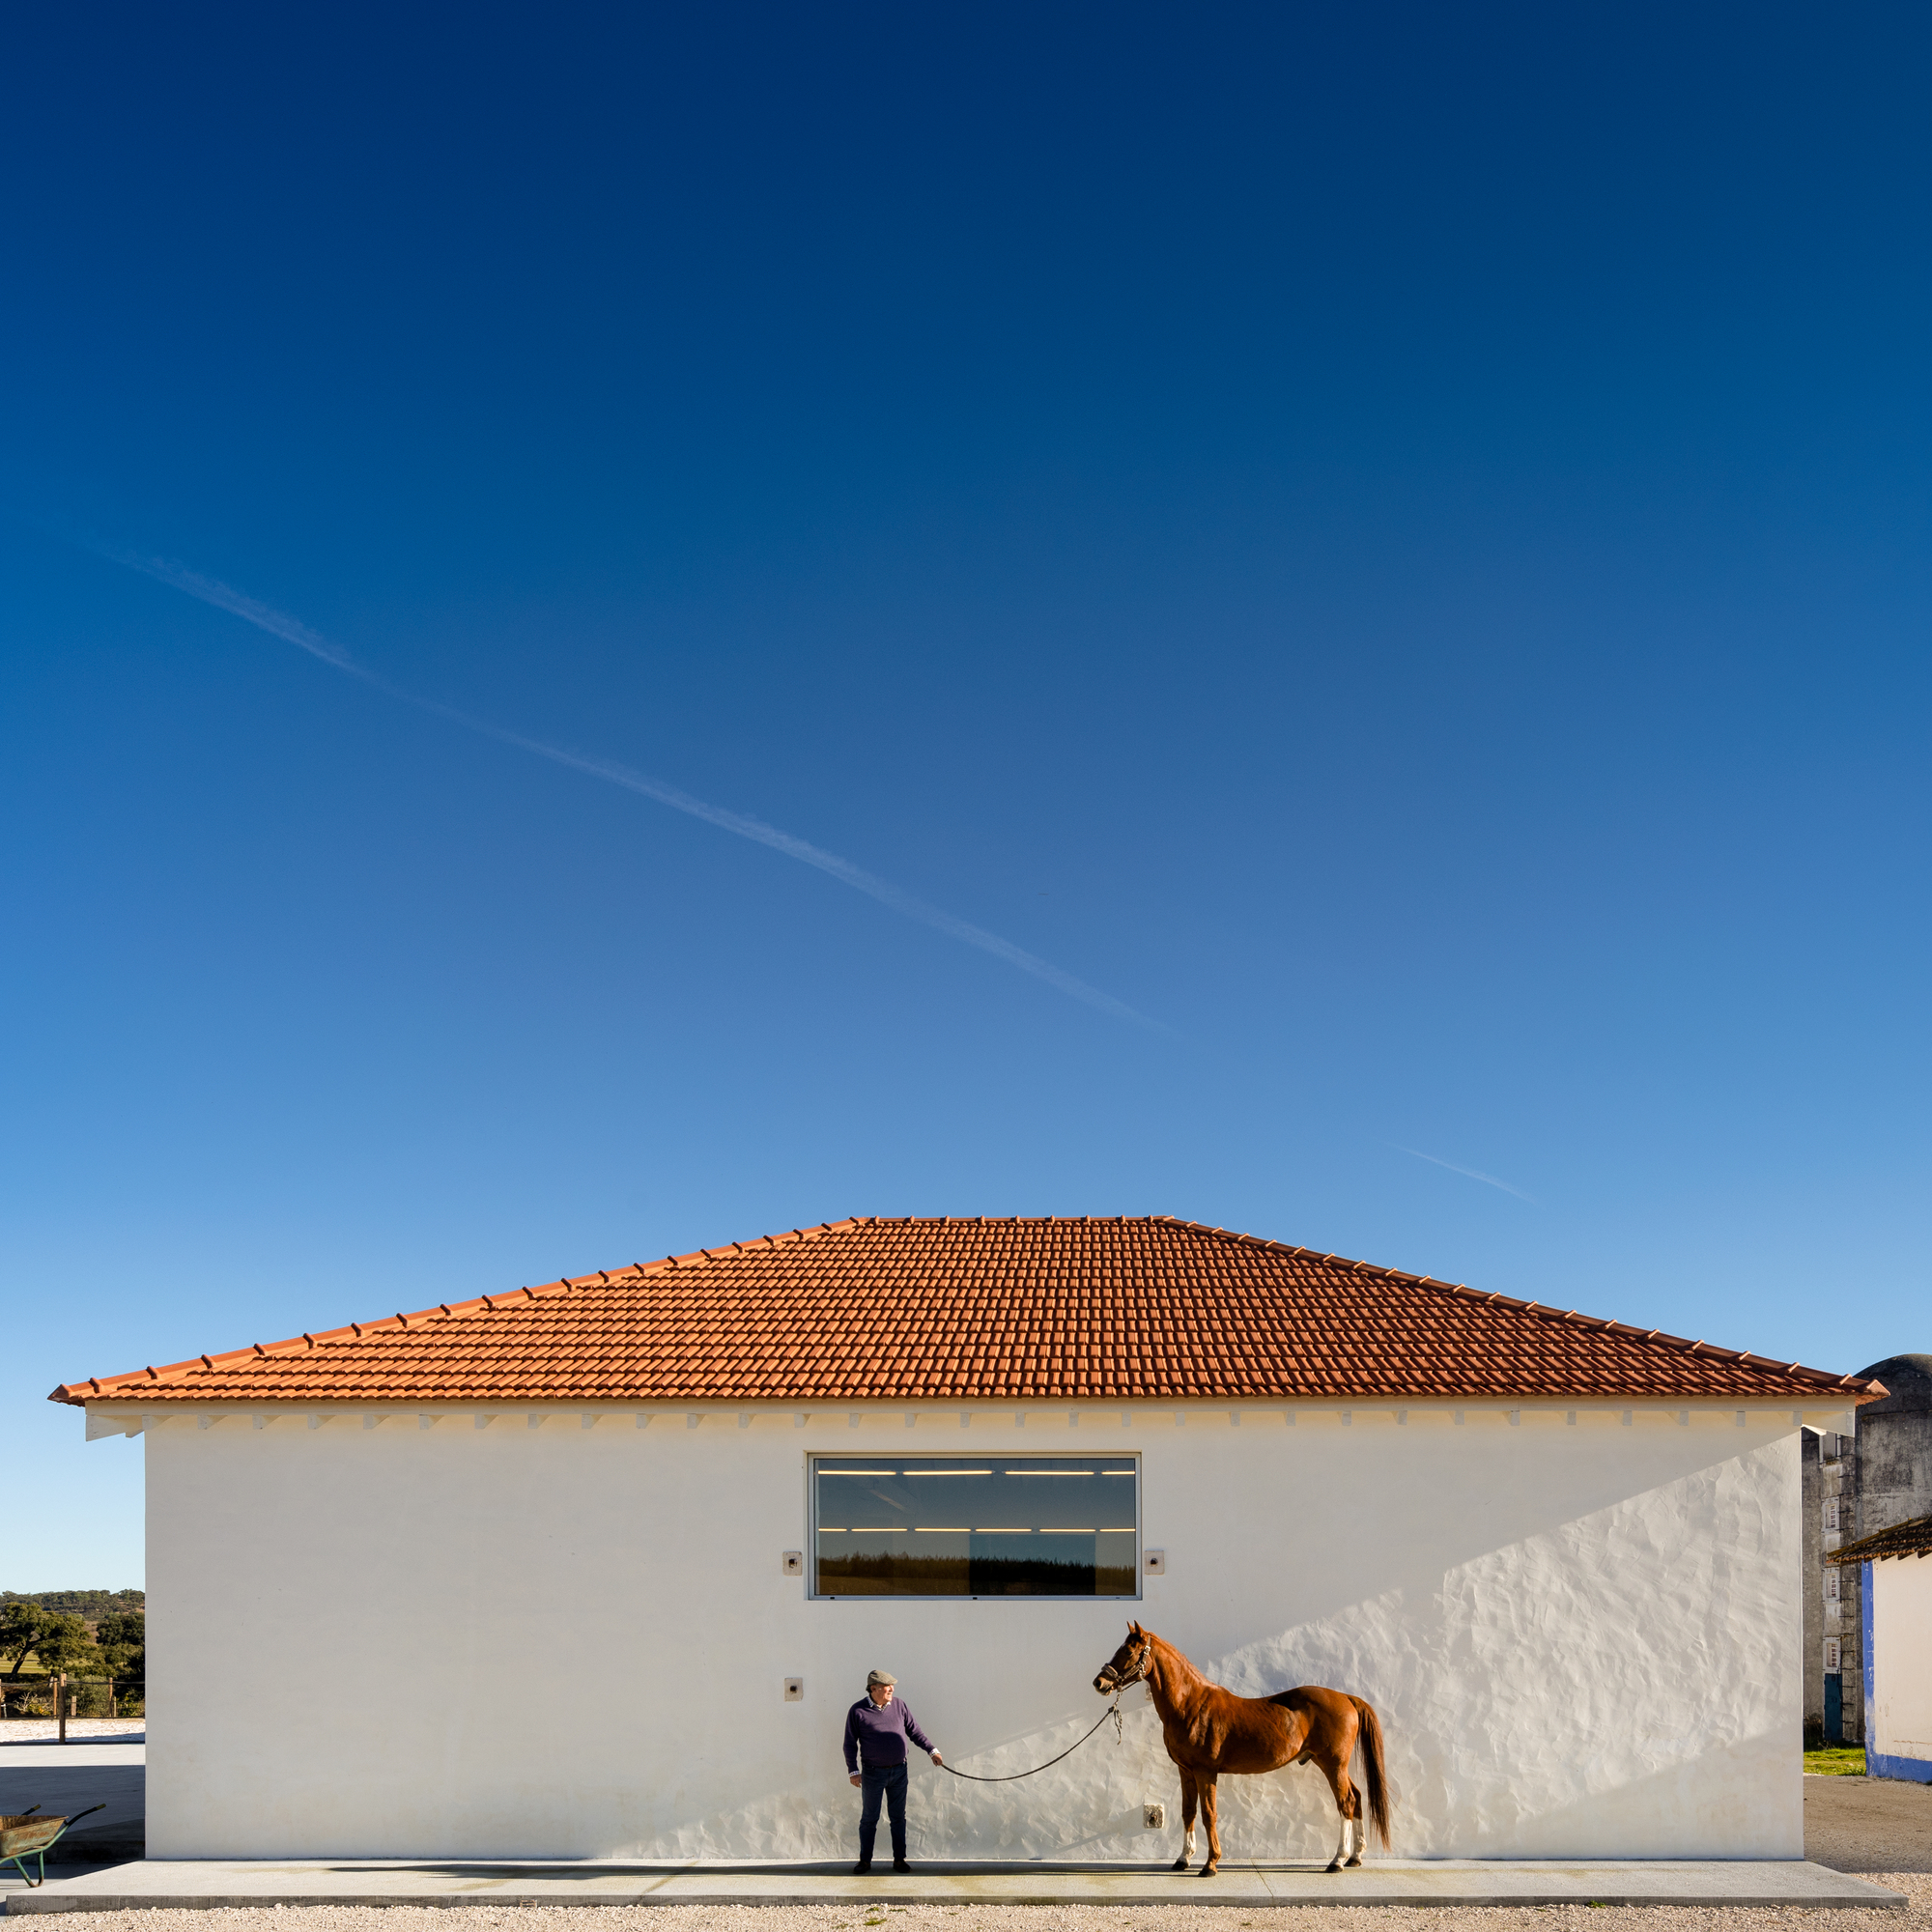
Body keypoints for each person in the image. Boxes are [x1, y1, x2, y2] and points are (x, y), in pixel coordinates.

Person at [842, 1667, 943, 1873]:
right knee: (870, 1818)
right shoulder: (857, 1711)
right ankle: (865, 1861)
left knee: (898, 1817)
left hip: (899, 1771)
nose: (892, 1690)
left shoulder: (899, 1705)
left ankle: (899, 1860)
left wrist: (932, 1750)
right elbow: (850, 1744)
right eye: (887, 1687)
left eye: (892, 1686)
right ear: (873, 1689)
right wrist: (853, 1771)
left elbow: (914, 1731)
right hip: (872, 1773)